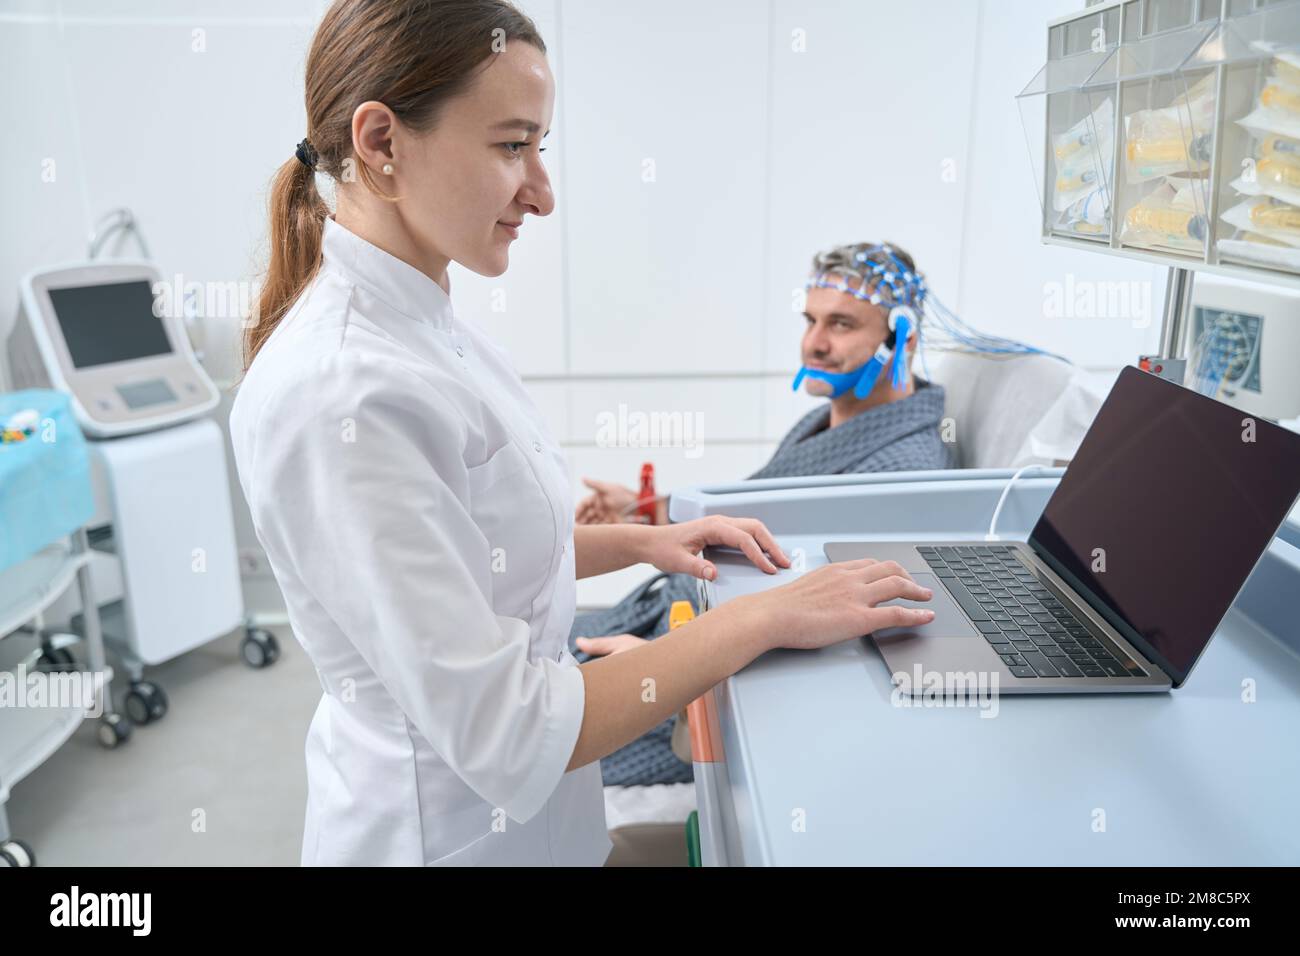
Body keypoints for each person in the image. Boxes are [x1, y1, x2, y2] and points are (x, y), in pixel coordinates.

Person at [230, 0, 935, 866]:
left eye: (541, 147)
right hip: (449, 837)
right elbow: (513, 734)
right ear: (380, 143)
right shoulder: (343, 394)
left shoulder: (424, 320)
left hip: (545, 829)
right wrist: (769, 619)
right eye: (510, 145)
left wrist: (650, 538)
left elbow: (481, 547)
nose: (542, 191)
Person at [573, 242, 952, 787]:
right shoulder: (835, 422)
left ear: (902, 338)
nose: (814, 344)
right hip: (680, 633)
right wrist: (650, 511)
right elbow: (768, 526)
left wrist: (662, 667)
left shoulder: (903, 474)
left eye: (841, 325)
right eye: (810, 319)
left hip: (703, 680)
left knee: (526, 748)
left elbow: (830, 637)